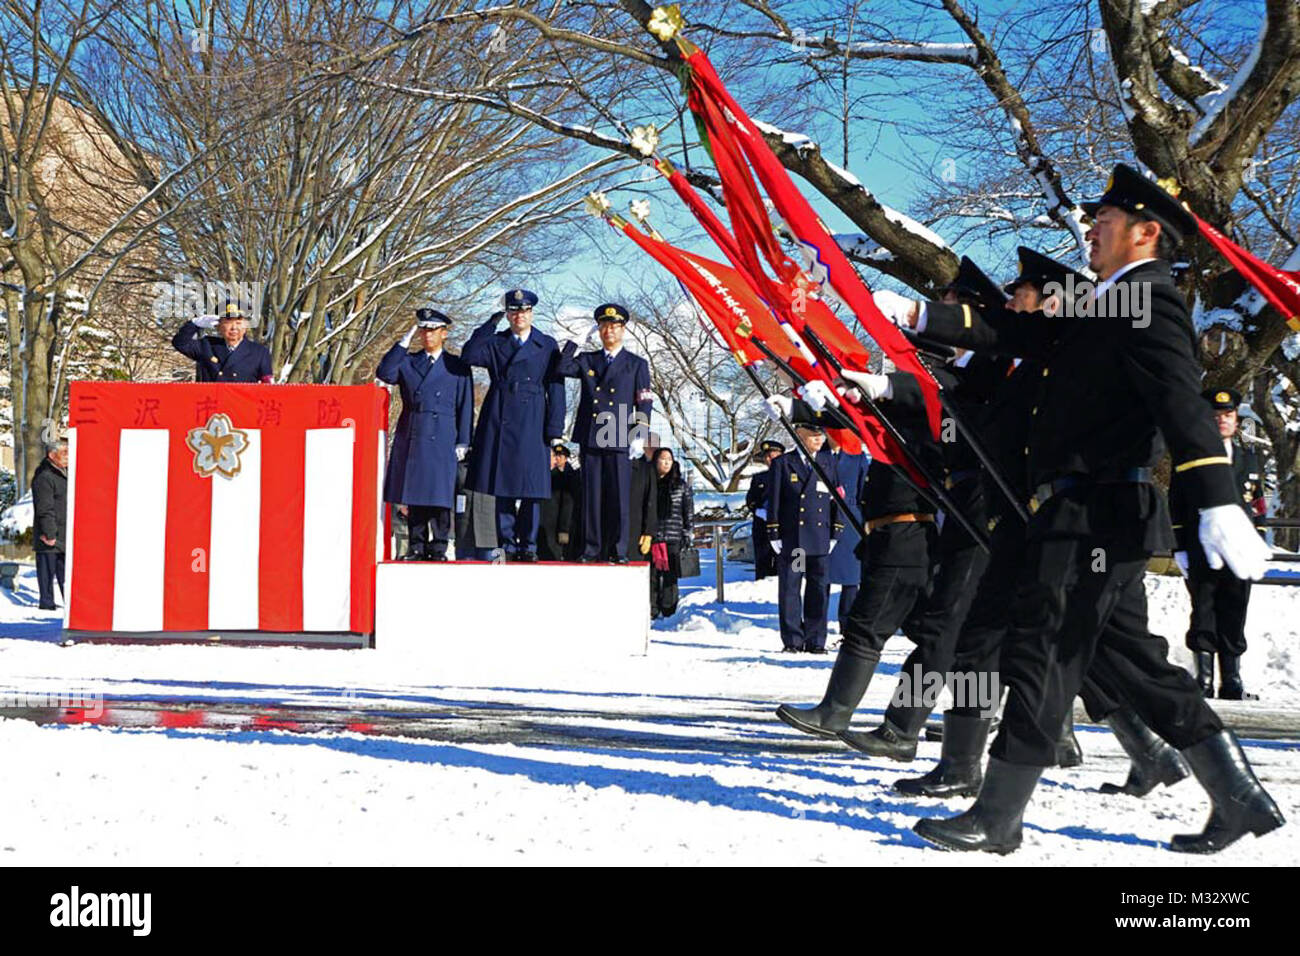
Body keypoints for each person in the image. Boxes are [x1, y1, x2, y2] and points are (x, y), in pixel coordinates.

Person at [877, 163, 1283, 854]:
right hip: (1078, 511)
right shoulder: (1110, 302)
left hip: (1099, 509)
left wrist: (1216, 496)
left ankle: (999, 814)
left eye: (1105, 221)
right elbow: (1026, 335)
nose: (1090, 230)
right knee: (1130, 662)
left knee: (1042, 652)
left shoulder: (1150, 300)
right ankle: (1240, 796)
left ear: (1146, 232)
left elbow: (1182, 400)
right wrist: (921, 316)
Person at [1172, 387, 1267, 699]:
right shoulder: (1191, 459)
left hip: (1238, 550)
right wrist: (1180, 547)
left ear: (1237, 420)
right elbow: (1178, 505)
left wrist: (1259, 541)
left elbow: (1257, 506)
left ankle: (1232, 680)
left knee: (1235, 609)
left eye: (1228, 415)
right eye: (1215, 416)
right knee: (1204, 609)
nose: (1222, 421)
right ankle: (1204, 679)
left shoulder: (1250, 459)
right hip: (1202, 548)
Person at [461, 289, 566, 561]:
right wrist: (490, 323)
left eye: (524, 311)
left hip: (533, 418)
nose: (519, 316)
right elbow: (469, 355)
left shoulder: (547, 344)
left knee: (532, 488)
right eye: (513, 311)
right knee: (502, 485)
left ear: (532, 313)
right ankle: (506, 543)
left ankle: (528, 546)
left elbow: (556, 386)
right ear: (507, 314)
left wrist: (555, 431)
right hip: (499, 416)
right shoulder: (496, 342)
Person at [556, 303, 654, 563]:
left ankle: (619, 550)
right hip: (591, 433)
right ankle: (591, 549)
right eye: (603, 326)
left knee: (619, 499)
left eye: (614, 326)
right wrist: (575, 342)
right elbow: (561, 368)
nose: (608, 330)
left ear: (623, 330)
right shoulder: (588, 360)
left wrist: (640, 433)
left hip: (618, 433)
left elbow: (644, 401)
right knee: (591, 498)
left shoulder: (636, 364)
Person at [376, 309, 472, 561]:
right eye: (423, 330)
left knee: (440, 494)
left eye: (432, 330)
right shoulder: (408, 361)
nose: (427, 335)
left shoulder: (457, 366)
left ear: (444, 333)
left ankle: (439, 546)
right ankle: (416, 546)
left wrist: (464, 439)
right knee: (416, 493)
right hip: (415, 432)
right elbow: (385, 373)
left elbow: (465, 405)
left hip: (443, 435)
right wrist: (402, 344)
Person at [766, 421, 843, 653]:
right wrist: (774, 531)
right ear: (799, 436)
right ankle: (793, 639)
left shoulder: (828, 462)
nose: (819, 440)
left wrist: (836, 530)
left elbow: (837, 496)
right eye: (813, 436)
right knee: (791, 589)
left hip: (819, 538)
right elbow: (775, 499)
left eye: (820, 436)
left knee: (818, 589)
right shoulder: (783, 463)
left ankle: (816, 640)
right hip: (796, 539)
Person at [824, 434, 867, 635]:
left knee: (851, 576)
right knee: (820, 575)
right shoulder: (818, 453)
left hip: (850, 518)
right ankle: (817, 623)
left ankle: (847, 624)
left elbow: (863, 492)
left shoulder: (857, 456)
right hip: (821, 517)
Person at [171, 302, 273, 382]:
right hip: (210, 405)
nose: (234, 328)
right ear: (219, 326)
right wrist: (194, 324)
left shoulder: (259, 352)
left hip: (241, 406)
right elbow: (180, 343)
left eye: (238, 323)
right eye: (228, 323)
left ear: (246, 326)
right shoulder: (207, 346)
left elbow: (267, 386)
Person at [650, 448, 694, 618]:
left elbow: (688, 511)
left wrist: (688, 532)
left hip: (674, 537)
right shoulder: (649, 482)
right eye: (662, 459)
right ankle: (652, 608)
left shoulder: (680, 485)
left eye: (669, 459)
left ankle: (669, 609)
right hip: (652, 536)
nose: (666, 462)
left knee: (670, 575)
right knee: (652, 574)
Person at [31, 440, 68, 610]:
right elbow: (44, 507)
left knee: (65, 573)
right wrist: (50, 534)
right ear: (52, 455)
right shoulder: (45, 476)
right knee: (47, 574)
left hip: (64, 533)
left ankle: (68, 604)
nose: (68, 456)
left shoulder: (64, 473)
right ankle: (46, 605)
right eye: (64, 453)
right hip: (49, 535)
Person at [745, 440, 785, 579]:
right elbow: (751, 500)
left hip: (784, 526)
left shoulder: (790, 475)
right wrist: (758, 511)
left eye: (772, 455)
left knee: (789, 565)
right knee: (762, 563)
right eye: (766, 456)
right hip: (763, 527)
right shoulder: (759, 478)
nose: (769, 459)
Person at [539, 443, 581, 562]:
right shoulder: (549, 474)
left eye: (560, 456)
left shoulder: (571, 476)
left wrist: (564, 528)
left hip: (561, 522)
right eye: (555, 456)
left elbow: (568, 503)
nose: (557, 459)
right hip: (547, 521)